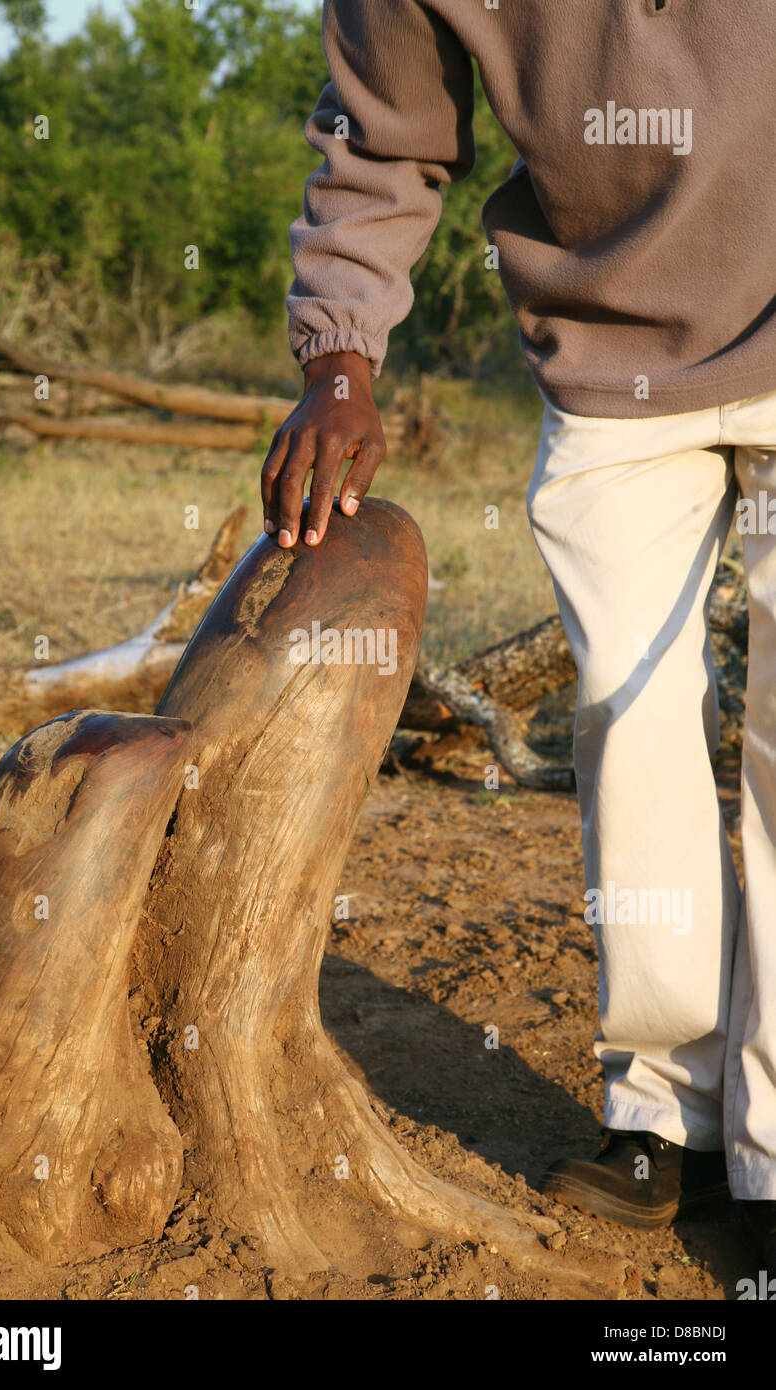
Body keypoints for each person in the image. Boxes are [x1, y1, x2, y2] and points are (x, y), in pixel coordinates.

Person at [260, 0, 776, 1267]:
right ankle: (668, 1111)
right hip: (606, 354)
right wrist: (339, 360)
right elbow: (381, 146)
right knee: (624, 717)